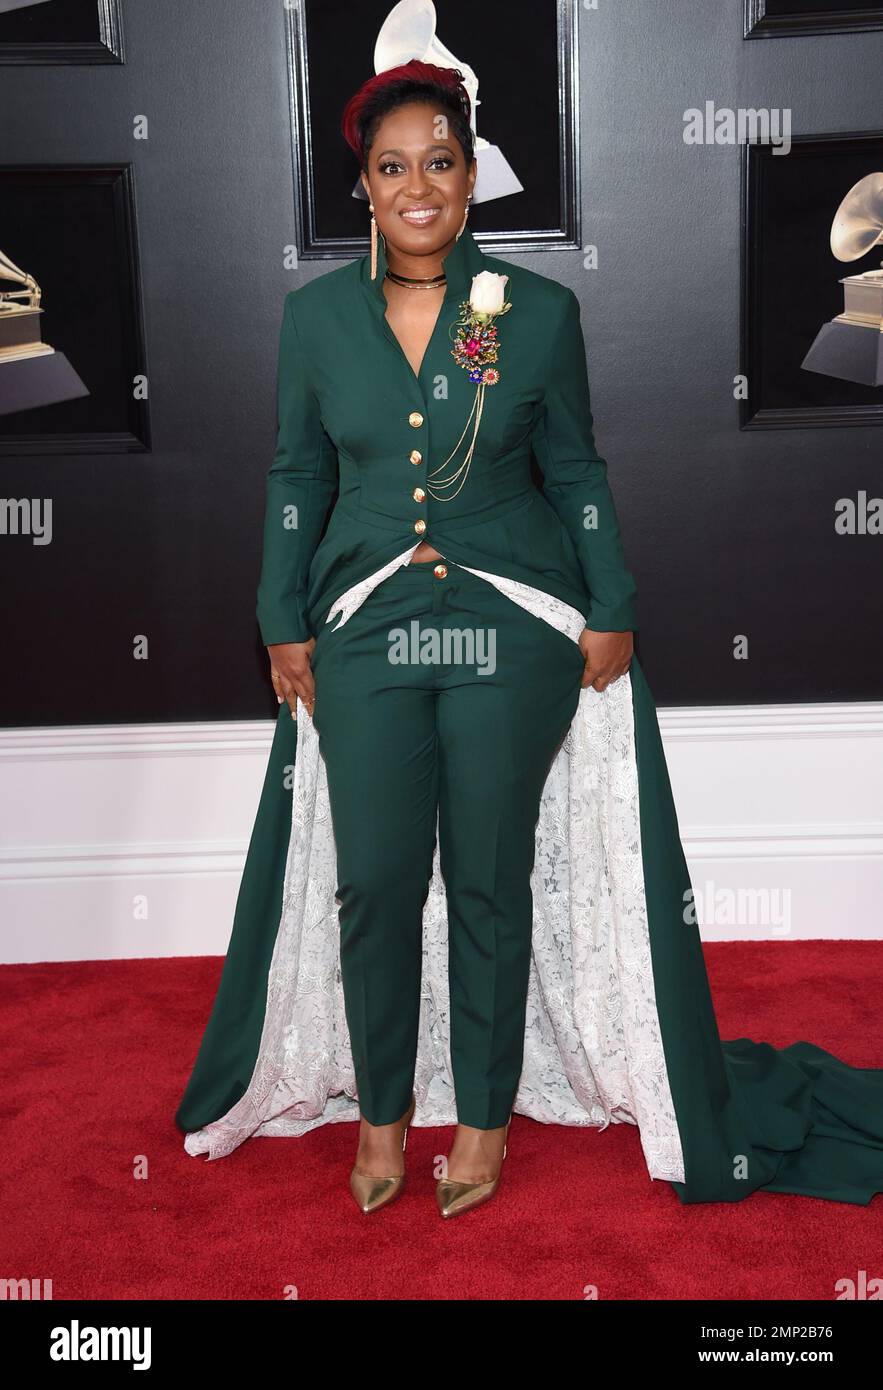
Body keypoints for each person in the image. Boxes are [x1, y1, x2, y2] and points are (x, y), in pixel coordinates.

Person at [175, 61, 883, 1218]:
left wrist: (612, 600)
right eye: (392, 167)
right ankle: (386, 1117)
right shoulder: (313, 320)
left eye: (439, 165)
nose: (417, 187)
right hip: (363, 624)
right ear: (363, 186)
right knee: (375, 882)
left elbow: (575, 467)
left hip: (512, 618)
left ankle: (487, 1123)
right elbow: (297, 472)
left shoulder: (529, 311)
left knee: (492, 881)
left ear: (469, 183)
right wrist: (278, 616)